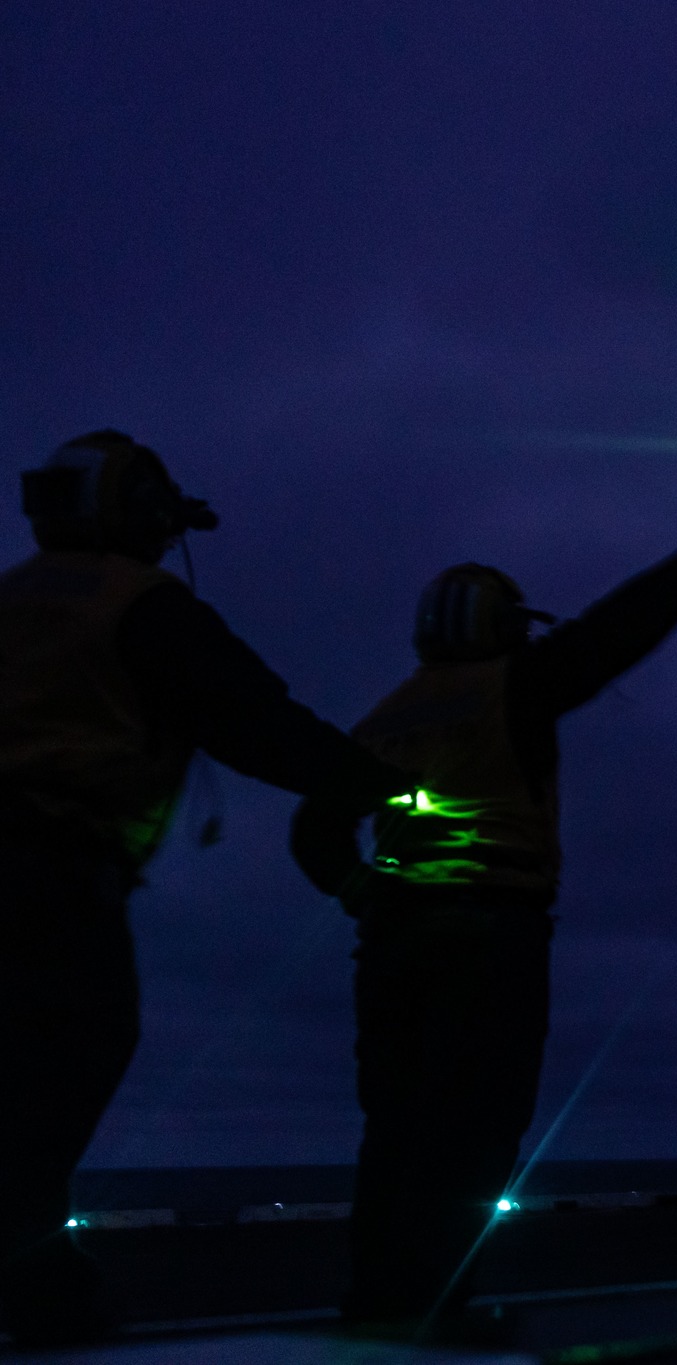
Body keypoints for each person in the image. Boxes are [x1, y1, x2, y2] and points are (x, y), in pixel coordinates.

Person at [289, 509, 677, 1330]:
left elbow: (314, 829)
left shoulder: (384, 717)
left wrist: (362, 893)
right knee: (476, 1129)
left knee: (395, 1128)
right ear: (503, 626)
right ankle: (439, 1306)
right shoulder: (512, 688)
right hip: (492, 934)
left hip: (391, 944)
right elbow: (612, 635)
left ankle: (377, 1300)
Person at [0, 430, 412, 1345]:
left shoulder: (15, 595)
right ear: (136, 508)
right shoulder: (140, 602)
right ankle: (36, 1292)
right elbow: (253, 719)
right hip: (50, 871)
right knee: (71, 1053)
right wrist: (371, 782)